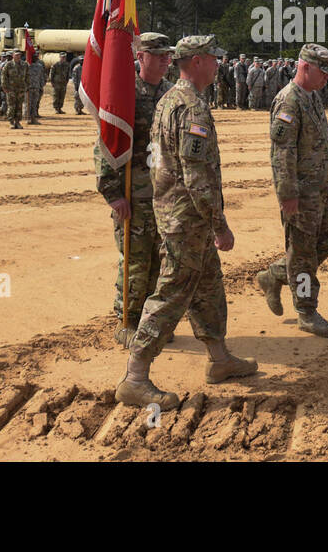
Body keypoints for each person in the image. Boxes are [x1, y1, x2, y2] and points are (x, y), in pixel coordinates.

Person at [115, 35, 257, 409]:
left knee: (208, 287)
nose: (218, 65)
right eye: (214, 58)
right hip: (187, 219)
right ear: (196, 61)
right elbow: (195, 176)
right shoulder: (191, 108)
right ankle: (135, 377)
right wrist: (219, 225)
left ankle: (220, 359)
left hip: (174, 213)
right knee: (171, 294)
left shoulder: (167, 100)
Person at [255, 44, 328, 338]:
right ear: (304, 67)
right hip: (301, 193)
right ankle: (306, 310)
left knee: (327, 241)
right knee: (304, 254)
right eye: (323, 71)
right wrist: (287, 194)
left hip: (322, 186)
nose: (327, 77)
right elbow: (281, 153)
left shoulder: (312, 96)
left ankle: (277, 274)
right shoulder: (288, 101)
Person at [97, 33, 173, 347]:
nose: (164, 61)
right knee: (135, 260)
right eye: (157, 56)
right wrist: (113, 194)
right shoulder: (124, 94)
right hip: (134, 192)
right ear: (140, 57)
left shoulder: (171, 94)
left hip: (165, 194)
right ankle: (126, 321)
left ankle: (150, 321)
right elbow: (106, 146)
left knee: (160, 259)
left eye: (167, 56)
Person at [26, 49, 46, 124]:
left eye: (36, 57)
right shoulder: (27, 66)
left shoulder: (39, 66)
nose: (35, 58)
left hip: (37, 87)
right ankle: (28, 118)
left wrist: (41, 86)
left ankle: (33, 118)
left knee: (35, 103)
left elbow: (41, 77)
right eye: (34, 57)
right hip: (29, 88)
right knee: (28, 104)